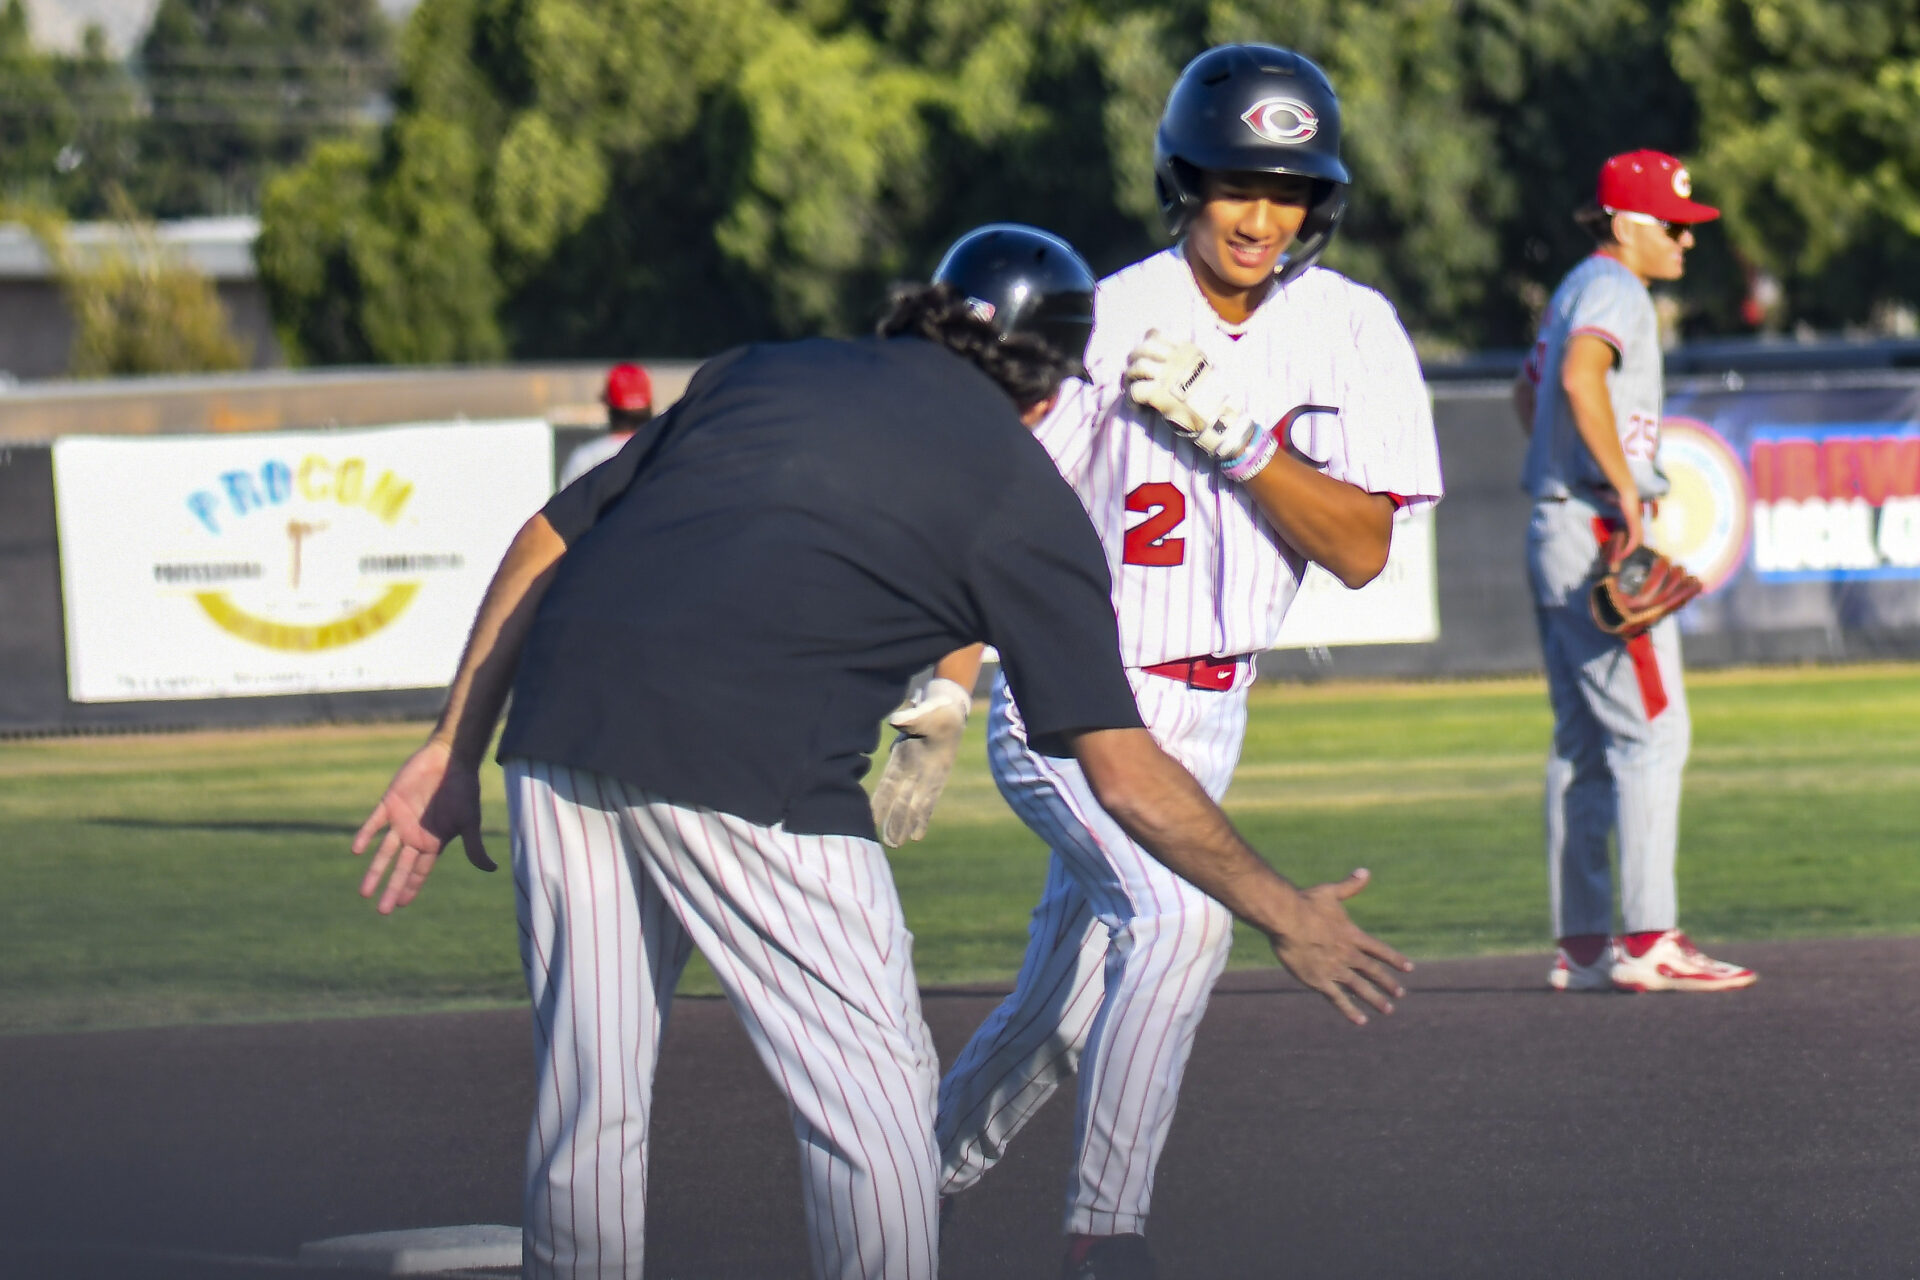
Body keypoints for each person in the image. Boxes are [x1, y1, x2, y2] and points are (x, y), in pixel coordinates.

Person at [352, 223, 1412, 1280]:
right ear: (1054, 387)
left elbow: (550, 533)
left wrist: (453, 744)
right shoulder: (1020, 489)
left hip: (558, 723)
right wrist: (1286, 911)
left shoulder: (764, 369)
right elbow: (1126, 772)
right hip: (751, 764)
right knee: (878, 1115)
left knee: (591, 1100)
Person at [871, 47, 1443, 1280]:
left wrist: (1236, 438)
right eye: (1234, 181)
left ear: (1319, 204)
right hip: (1074, 696)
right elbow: (995, 501)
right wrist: (948, 686)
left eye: (1287, 190)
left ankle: (906, 1199)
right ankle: (1108, 1236)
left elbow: (1362, 548)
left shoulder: (1354, 329)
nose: (1258, 214)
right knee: (1182, 923)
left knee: (1067, 1009)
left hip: (1214, 704)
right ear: (1183, 180)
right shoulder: (1108, 311)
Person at [1512, 150, 1756, 994]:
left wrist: (1563, 474)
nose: (1687, 241)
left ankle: (1583, 947)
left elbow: (1526, 392)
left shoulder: (1571, 291)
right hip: (1595, 526)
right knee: (1654, 732)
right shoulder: (1615, 289)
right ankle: (1649, 938)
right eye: (1673, 226)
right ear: (1624, 225)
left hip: (1553, 523)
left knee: (1583, 746)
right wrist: (1621, 490)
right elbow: (1581, 379)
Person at [557, 362, 654, 488]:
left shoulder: (585, 459)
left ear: (607, 403)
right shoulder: (666, 454)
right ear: (649, 405)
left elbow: (567, 505)